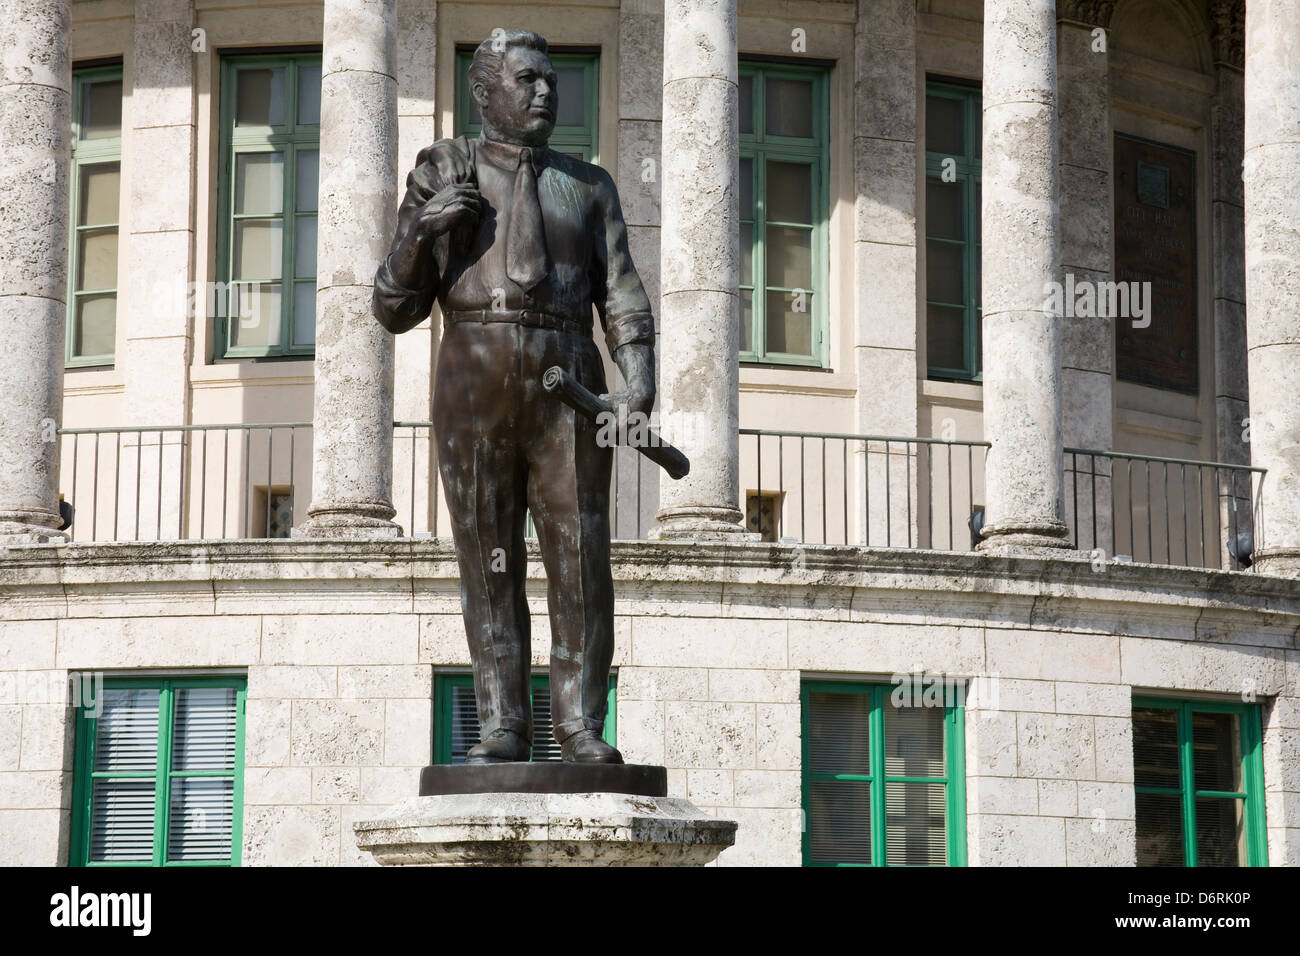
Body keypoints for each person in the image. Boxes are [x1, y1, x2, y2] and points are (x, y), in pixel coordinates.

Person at [372, 30, 655, 764]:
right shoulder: (446, 169)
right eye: (527, 79)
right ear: (484, 92)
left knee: (582, 554)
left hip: (569, 377)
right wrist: (419, 236)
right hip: (475, 370)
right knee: (488, 554)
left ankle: (579, 726)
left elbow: (621, 292)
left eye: (552, 81)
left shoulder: (589, 186)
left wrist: (639, 382)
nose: (544, 93)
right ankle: (503, 721)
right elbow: (394, 307)